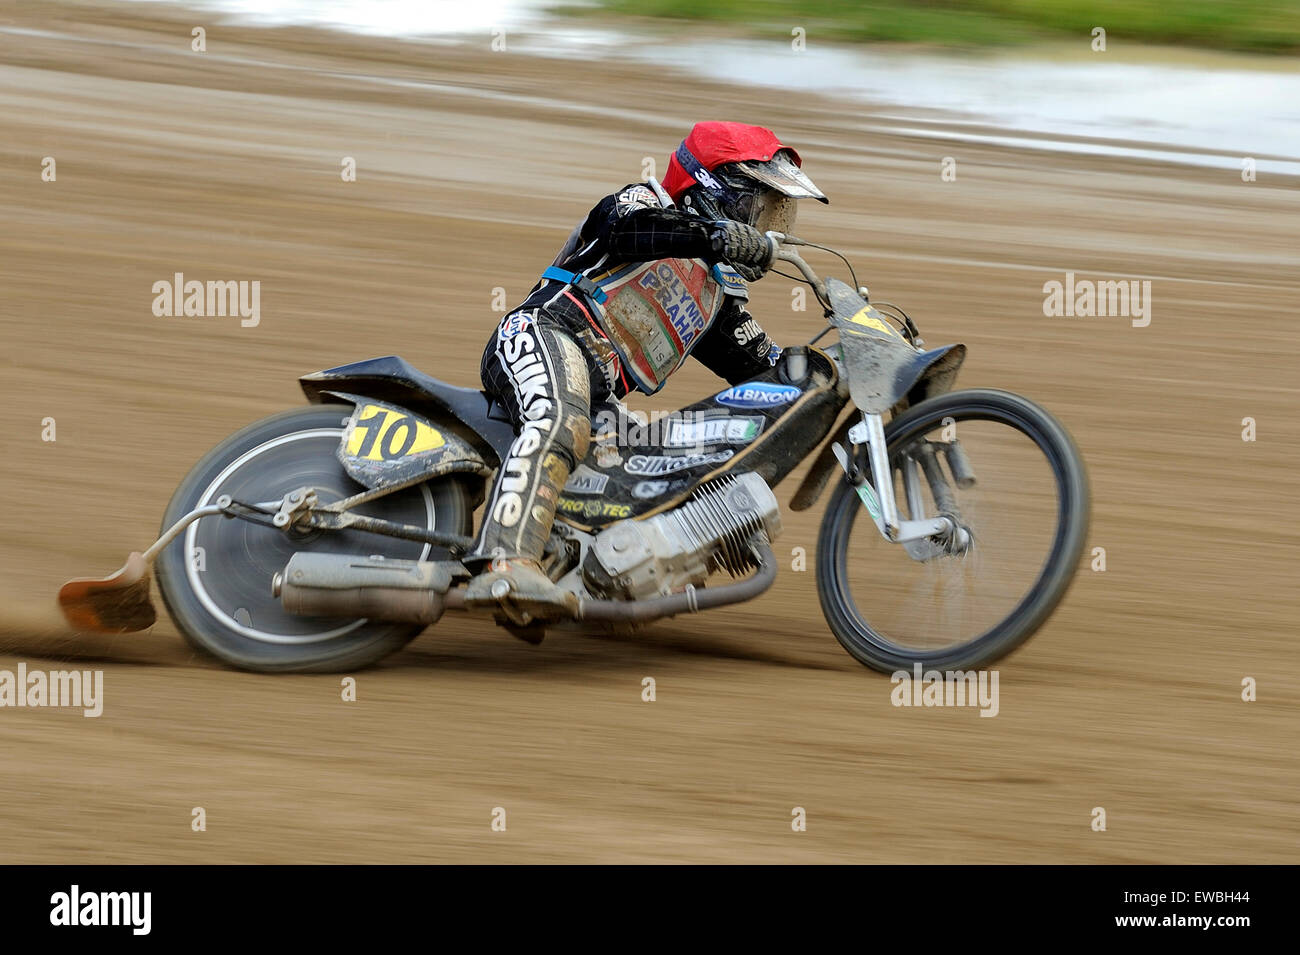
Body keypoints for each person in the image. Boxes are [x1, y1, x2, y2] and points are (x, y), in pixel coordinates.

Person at [463, 121, 827, 624]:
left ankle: (587, 579)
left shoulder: (714, 296)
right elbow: (627, 232)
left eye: (778, 213)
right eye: (761, 206)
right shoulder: (638, 203)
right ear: (716, 190)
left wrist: (835, 376)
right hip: (541, 334)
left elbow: (770, 375)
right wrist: (720, 236)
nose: (769, 226)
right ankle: (506, 562)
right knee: (562, 420)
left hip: (600, 393)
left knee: (657, 471)